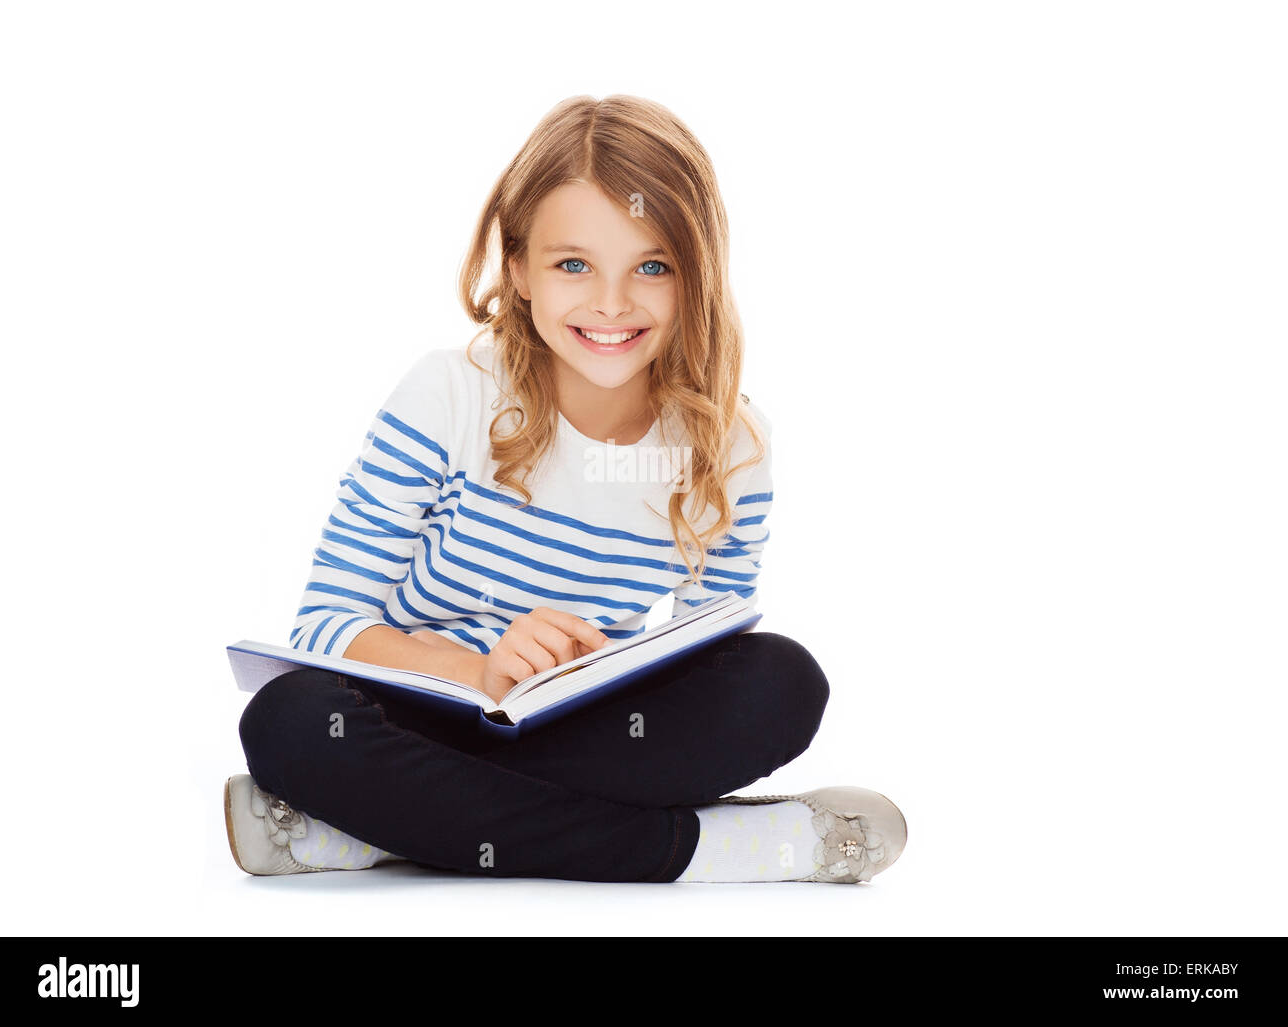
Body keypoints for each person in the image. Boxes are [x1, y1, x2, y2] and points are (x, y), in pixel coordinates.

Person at [225, 94, 907, 884]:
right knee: (291, 721)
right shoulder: (449, 396)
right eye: (572, 264)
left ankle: (370, 834)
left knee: (781, 682)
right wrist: (480, 673)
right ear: (517, 268)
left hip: (591, 735)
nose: (612, 303)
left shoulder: (732, 448)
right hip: (425, 719)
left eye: (652, 266)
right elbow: (323, 626)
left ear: (697, 277)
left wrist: (596, 676)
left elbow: (707, 667)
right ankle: (697, 851)